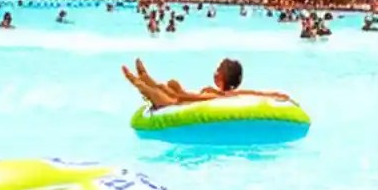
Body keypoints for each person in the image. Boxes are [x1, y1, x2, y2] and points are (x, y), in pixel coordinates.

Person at [121, 57, 290, 109]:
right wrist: (274, 94)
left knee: (163, 93)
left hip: (178, 104)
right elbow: (253, 93)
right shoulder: (224, 93)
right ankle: (144, 78)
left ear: (222, 77)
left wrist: (179, 93)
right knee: (166, 87)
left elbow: (188, 98)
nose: (215, 72)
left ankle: (141, 82)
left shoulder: (217, 95)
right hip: (183, 101)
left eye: (218, 70)